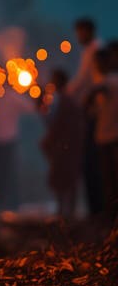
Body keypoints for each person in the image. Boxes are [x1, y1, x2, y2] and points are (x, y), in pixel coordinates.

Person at [68, 17, 103, 216]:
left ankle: (99, 211)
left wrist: (65, 91)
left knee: (93, 163)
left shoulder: (95, 51)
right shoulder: (89, 51)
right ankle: (96, 211)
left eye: (80, 32)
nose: (78, 36)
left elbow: (82, 82)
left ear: (88, 31)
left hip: (97, 114)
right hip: (92, 112)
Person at [40, 69, 84, 220]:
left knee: (67, 177)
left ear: (60, 81)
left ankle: (68, 212)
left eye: (54, 79)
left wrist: (52, 139)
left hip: (66, 145)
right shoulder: (58, 99)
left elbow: (59, 124)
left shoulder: (66, 100)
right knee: (61, 177)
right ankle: (63, 211)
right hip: (63, 144)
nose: (51, 82)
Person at [0, 89, 34, 210]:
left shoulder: (13, 96)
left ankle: (11, 204)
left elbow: (30, 108)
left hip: (8, 141)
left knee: (9, 174)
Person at [89, 48, 118, 223]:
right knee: (108, 180)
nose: (97, 66)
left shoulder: (111, 81)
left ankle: (112, 218)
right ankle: (110, 217)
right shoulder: (104, 82)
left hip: (112, 137)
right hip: (103, 136)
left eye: (99, 63)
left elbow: (102, 90)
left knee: (112, 180)